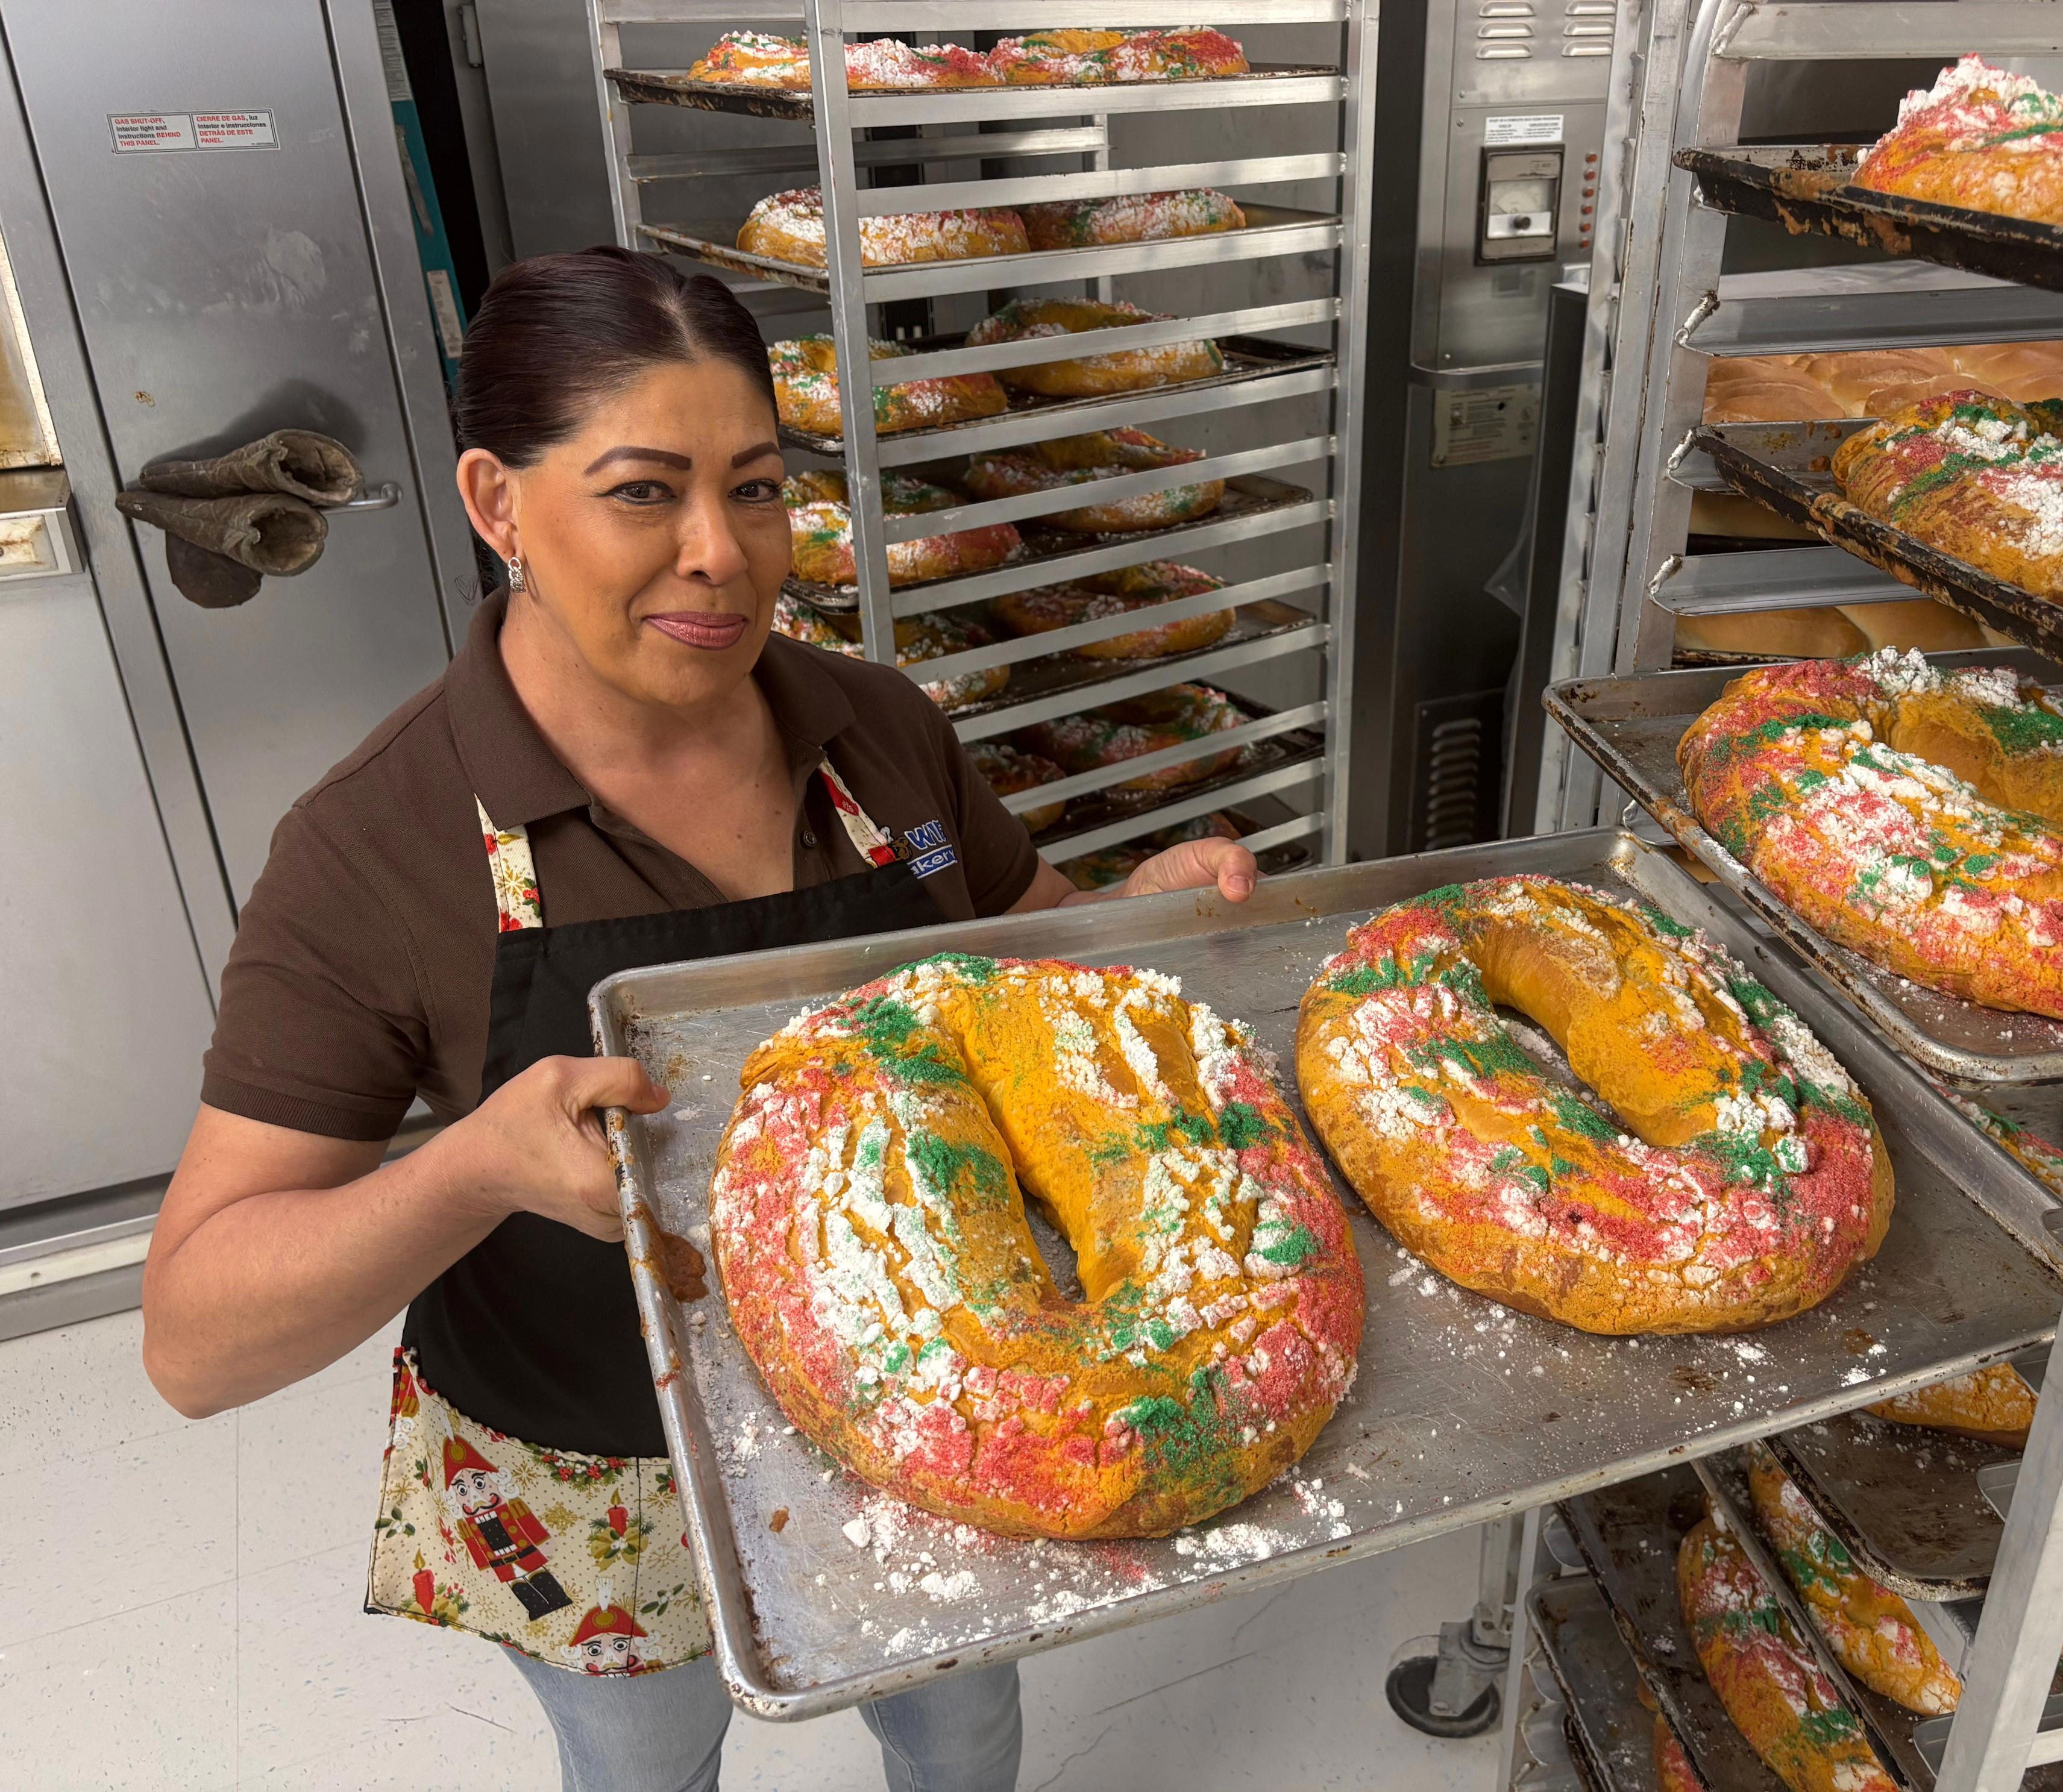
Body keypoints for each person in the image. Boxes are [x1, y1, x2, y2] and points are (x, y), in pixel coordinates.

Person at [140, 246, 1258, 1792]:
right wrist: (472, 1168)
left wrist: (1139, 920)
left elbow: (1016, 961)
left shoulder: (875, 727)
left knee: (959, 1722)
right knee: (647, 1759)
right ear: (496, 504)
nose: (721, 555)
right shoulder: (378, 843)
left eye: (755, 488)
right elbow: (194, 1338)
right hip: (606, 1455)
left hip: (945, 1392)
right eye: (643, 491)